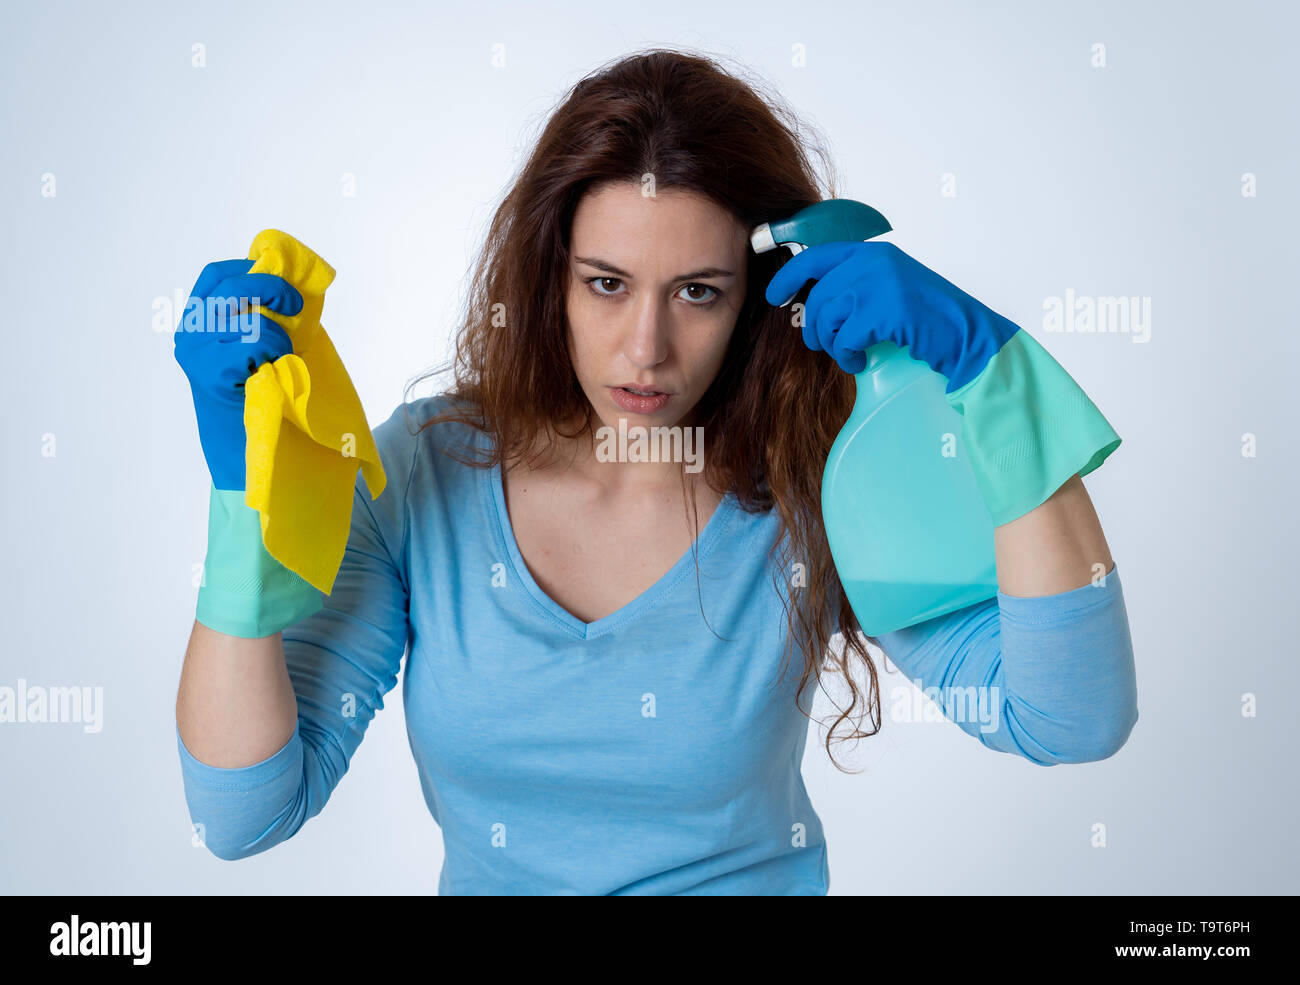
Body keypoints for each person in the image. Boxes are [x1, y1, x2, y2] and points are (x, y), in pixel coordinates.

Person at [173, 48, 1138, 895]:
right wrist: (242, 490)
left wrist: (992, 381)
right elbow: (245, 812)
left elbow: (1067, 716)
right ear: (548, 276)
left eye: (698, 293)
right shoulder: (427, 472)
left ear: (759, 301)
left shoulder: (817, 479)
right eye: (607, 283)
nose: (647, 348)